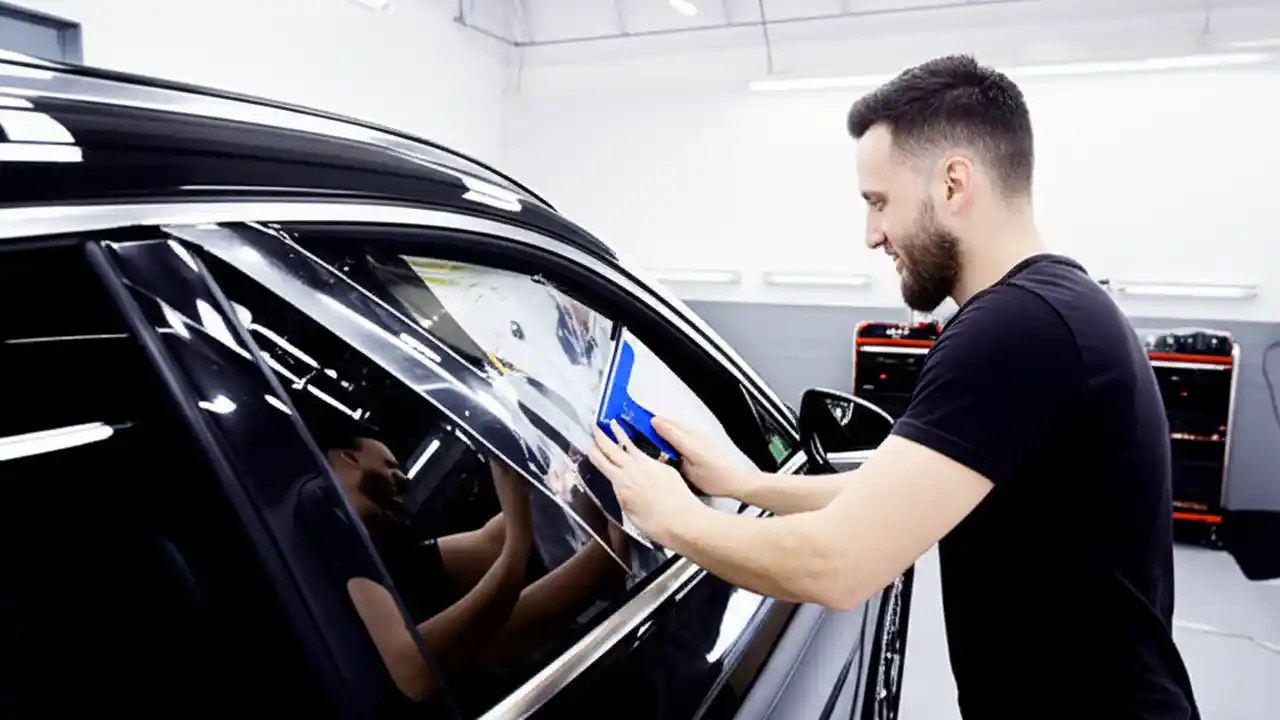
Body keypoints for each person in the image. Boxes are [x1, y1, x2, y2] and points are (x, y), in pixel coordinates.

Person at [588, 55, 1200, 718]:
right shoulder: (1061, 306)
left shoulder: (1011, 330)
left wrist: (671, 517)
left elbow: (838, 563)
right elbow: (900, 490)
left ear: (953, 183)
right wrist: (744, 484)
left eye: (879, 202)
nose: (872, 234)